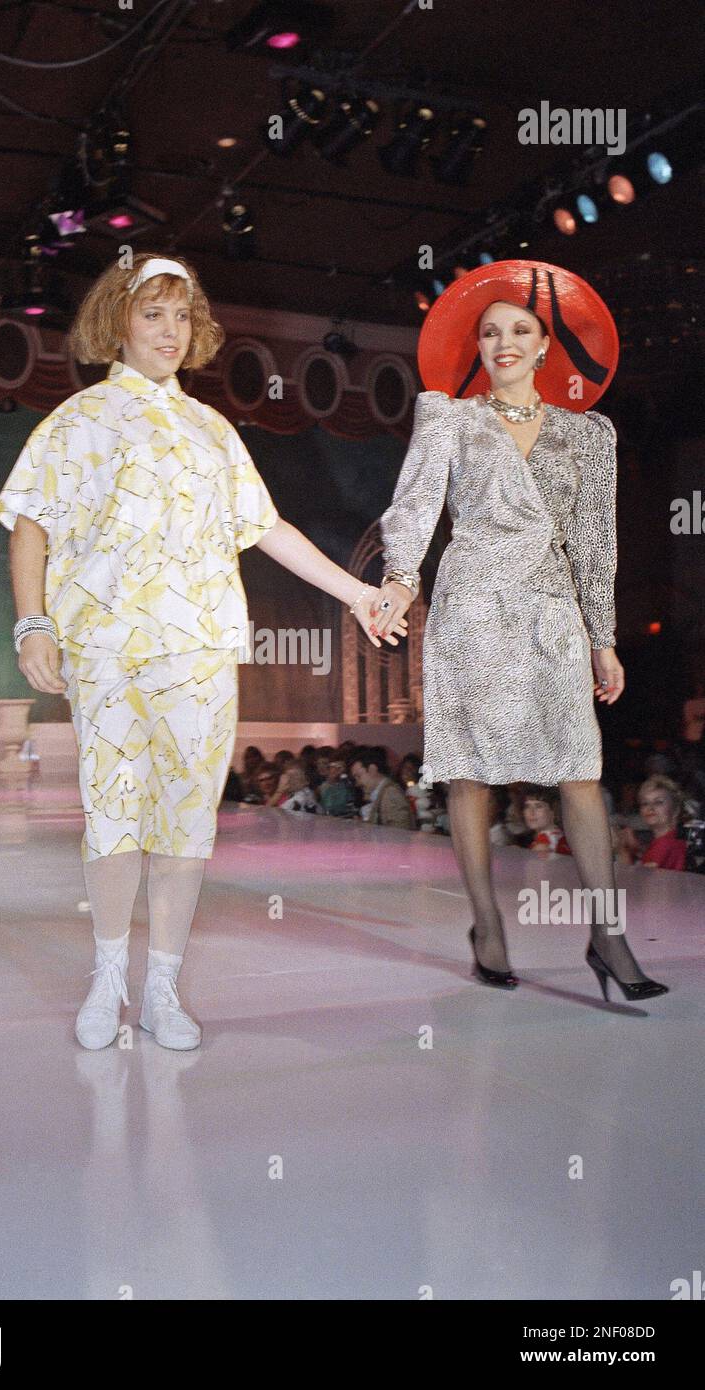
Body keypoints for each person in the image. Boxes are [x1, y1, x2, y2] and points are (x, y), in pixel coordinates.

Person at [0, 252, 407, 1052]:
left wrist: (356, 595)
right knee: (114, 818)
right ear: (118, 321)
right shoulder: (77, 422)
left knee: (185, 825)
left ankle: (161, 991)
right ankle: (107, 980)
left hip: (202, 653)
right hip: (107, 650)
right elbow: (32, 524)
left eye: (181, 316)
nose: (169, 331)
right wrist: (31, 624)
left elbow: (269, 529)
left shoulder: (210, 430)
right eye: (153, 314)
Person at [372, 259, 667, 1002]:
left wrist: (601, 636)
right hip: (471, 608)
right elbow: (412, 507)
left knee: (579, 772)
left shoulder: (587, 435)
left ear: (544, 345)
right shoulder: (449, 416)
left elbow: (596, 545)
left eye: (519, 330)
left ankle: (607, 936)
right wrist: (401, 581)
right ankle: (486, 927)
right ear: (478, 348)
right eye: (490, 332)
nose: (504, 342)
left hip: (550, 614)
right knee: (469, 774)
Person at [617, 775, 688, 871]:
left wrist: (623, 849)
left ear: (675, 810)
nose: (650, 808)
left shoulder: (665, 844)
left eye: (658, 802)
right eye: (645, 803)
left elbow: (636, 882)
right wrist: (637, 849)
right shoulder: (670, 840)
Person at [349, 747, 414, 829]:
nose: (357, 783)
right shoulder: (383, 793)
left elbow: (398, 835)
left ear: (372, 769)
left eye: (358, 776)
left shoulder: (391, 794)